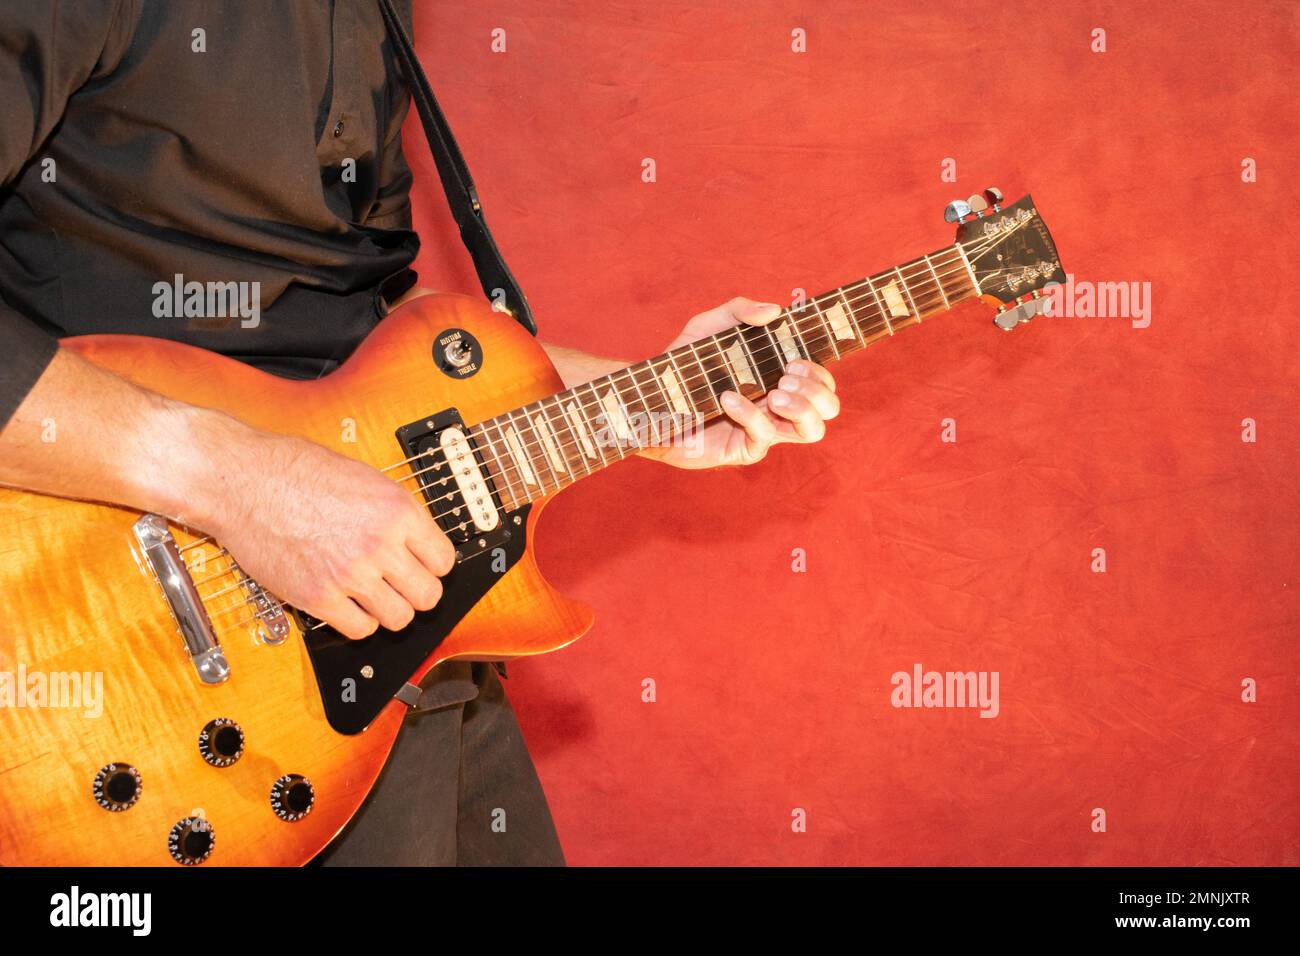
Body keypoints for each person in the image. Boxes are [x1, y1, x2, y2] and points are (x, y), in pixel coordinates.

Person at [0, 1, 839, 865]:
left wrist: (647, 402)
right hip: (117, 648)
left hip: (401, 636)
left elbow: (375, 332)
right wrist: (242, 486)